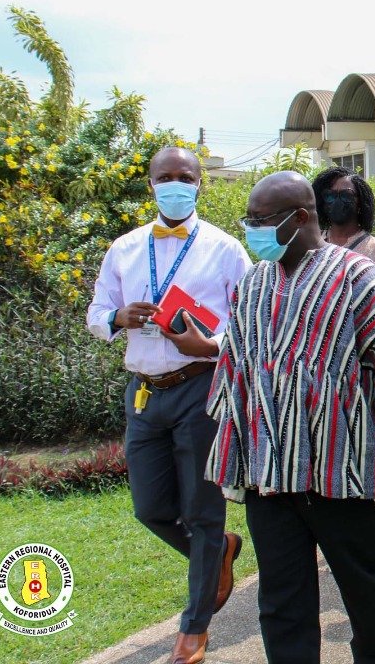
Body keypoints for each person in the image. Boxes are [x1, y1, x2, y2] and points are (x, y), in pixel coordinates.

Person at [205, 171, 375, 664]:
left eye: (260, 221)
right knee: (280, 599)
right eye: (248, 221)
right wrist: (233, 458)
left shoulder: (358, 275)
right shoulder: (254, 282)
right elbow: (238, 371)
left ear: (300, 218)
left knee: (364, 590)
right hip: (270, 476)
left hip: (344, 473)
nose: (252, 230)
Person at [86, 147, 250, 664]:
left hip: (200, 387)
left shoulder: (225, 250)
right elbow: (95, 313)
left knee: (203, 511)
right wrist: (119, 318)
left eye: (185, 177)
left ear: (200, 184)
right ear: (151, 184)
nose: (174, 184)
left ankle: (193, 629)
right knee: (150, 508)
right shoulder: (126, 248)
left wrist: (210, 344)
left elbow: (248, 325)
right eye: (165, 177)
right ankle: (218, 551)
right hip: (142, 391)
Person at [311, 165, 375, 279]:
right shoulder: (312, 247)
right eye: (330, 195)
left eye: (346, 195)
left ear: (360, 202)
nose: (337, 201)